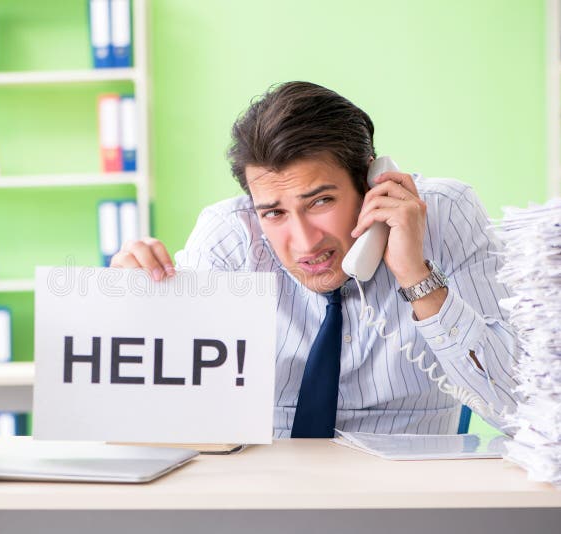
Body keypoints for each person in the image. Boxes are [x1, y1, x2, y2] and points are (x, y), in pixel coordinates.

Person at [111, 81, 517, 438]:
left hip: (406, 498)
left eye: (320, 201)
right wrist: (130, 317)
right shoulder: (229, 238)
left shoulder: (444, 215)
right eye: (274, 213)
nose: (304, 243)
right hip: (261, 495)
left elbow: (520, 411)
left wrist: (416, 276)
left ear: (371, 183)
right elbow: (159, 416)